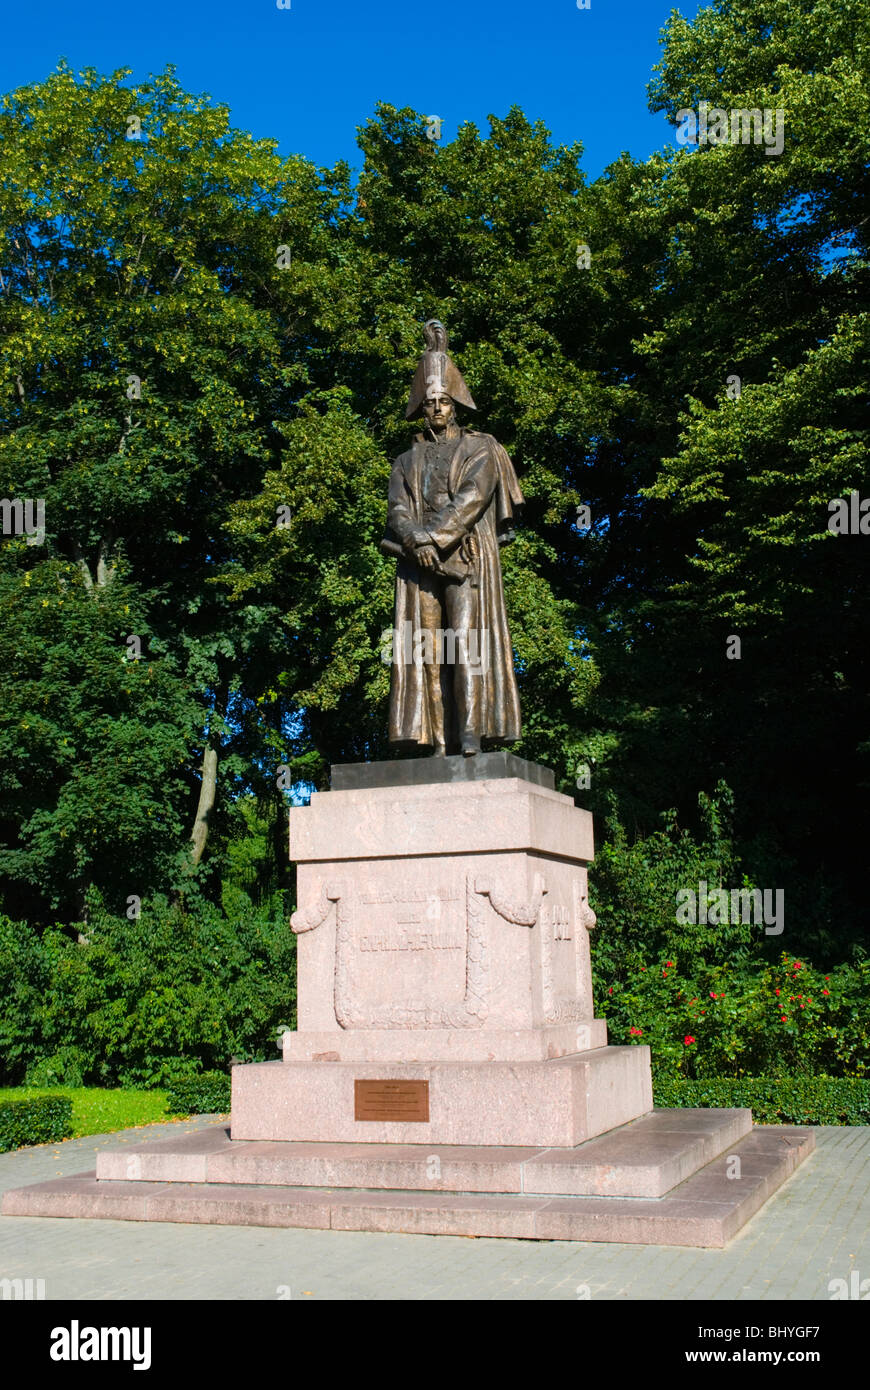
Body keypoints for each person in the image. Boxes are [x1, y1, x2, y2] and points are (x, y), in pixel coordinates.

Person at [381, 321, 523, 755]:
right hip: (417, 565)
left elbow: (470, 499)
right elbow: (397, 510)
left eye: (443, 401)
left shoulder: (482, 447)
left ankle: (470, 735)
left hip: (464, 560)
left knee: (465, 646)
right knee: (426, 650)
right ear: (421, 409)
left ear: (455, 405)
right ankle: (436, 742)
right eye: (429, 403)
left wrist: (431, 539)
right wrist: (416, 543)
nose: (437, 408)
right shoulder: (405, 460)